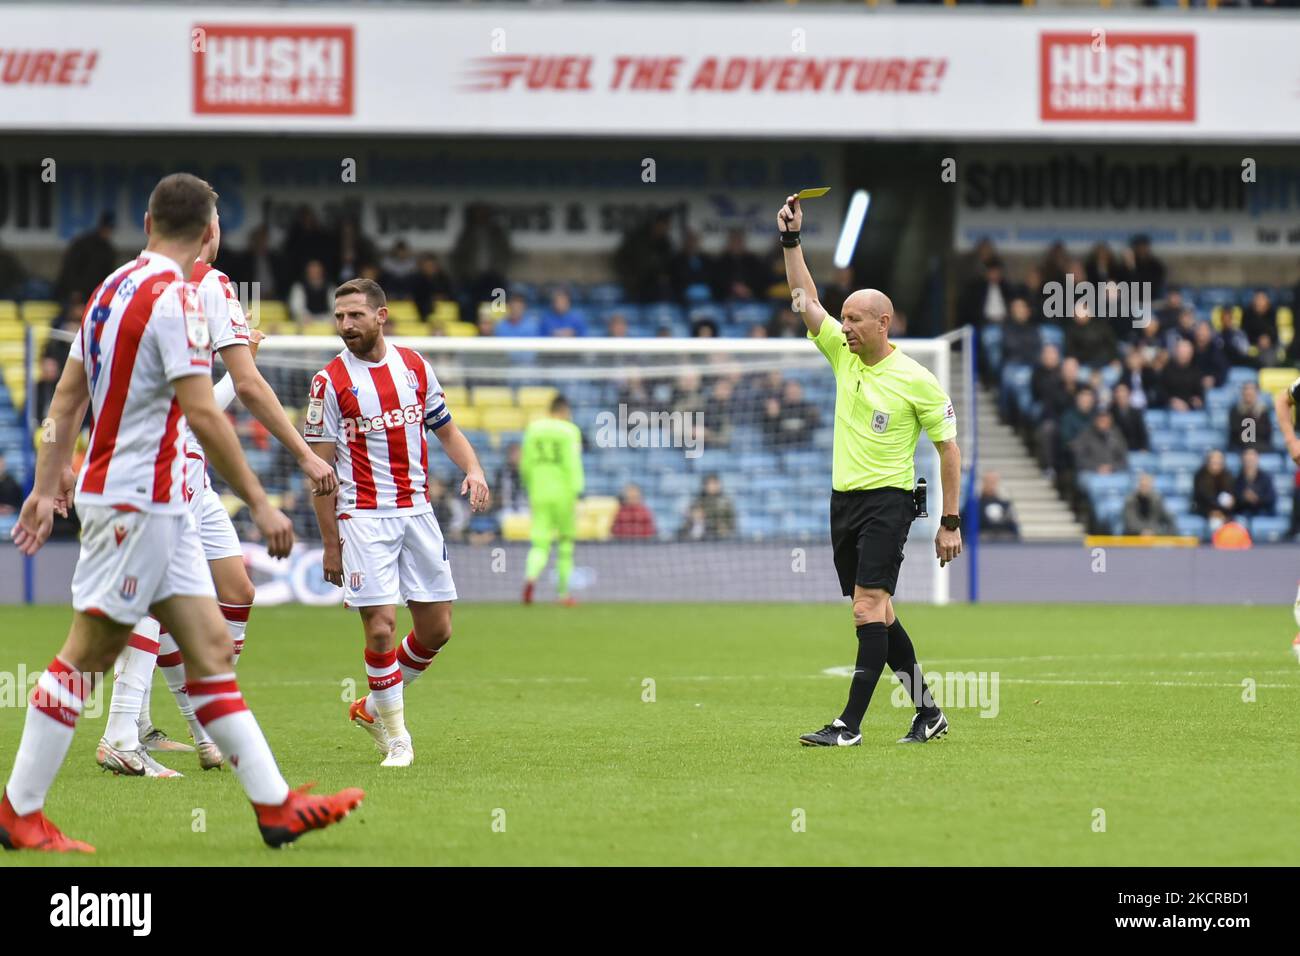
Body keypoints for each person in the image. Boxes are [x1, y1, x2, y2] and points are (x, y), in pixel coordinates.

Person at [2, 173, 362, 852]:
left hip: (152, 501)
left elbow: (66, 399)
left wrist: (45, 487)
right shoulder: (181, 300)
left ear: (147, 223)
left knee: (213, 647)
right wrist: (260, 499)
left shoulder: (108, 290)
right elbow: (203, 409)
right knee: (88, 651)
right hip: (137, 502)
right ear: (209, 234)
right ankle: (20, 812)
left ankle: (276, 807)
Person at [99, 205, 340, 775]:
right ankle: (126, 734)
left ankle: (186, 727)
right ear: (211, 231)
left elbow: (193, 407)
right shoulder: (209, 283)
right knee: (152, 600)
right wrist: (303, 454)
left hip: (181, 470)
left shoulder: (125, 285)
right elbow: (241, 391)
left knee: (236, 589)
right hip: (161, 471)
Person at [778, 193, 959, 748]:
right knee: (880, 612)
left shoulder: (917, 379)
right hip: (845, 502)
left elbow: (949, 451)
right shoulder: (843, 354)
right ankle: (929, 713)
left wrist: (950, 520)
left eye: (855, 319)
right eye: (844, 319)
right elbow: (806, 300)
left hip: (888, 501)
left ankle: (849, 726)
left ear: (884, 323)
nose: (845, 327)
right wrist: (791, 240)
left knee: (865, 608)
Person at [307, 277, 490, 769]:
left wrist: (473, 469)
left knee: (437, 629)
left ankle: (372, 708)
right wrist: (331, 544)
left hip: (417, 513)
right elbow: (320, 472)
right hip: (362, 518)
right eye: (339, 316)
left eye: (355, 315)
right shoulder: (328, 382)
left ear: (381, 316)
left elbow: (446, 430)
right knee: (381, 629)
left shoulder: (414, 366)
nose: (345, 324)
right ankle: (397, 738)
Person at [520, 396, 584, 605]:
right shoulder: (570, 431)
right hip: (564, 493)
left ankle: (531, 577)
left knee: (539, 543)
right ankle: (563, 593)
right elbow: (572, 463)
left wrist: (529, 485)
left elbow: (526, 464)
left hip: (539, 492)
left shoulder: (533, 429)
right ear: (564, 410)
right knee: (565, 543)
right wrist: (578, 491)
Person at [688, 473, 736, 540]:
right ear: (705, 485)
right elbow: (691, 516)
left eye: (715, 483)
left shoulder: (725, 502)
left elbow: (731, 521)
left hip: (721, 535)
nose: (712, 486)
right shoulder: (699, 501)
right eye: (710, 484)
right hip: (702, 534)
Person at [1228, 381, 1272, 451]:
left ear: (1256, 393)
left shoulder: (1263, 410)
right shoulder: (1235, 410)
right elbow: (1236, 431)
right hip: (1240, 446)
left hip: (1259, 446)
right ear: (1242, 393)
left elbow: (1265, 432)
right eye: (1246, 390)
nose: (1248, 393)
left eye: (1251, 391)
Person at [1192, 450, 1236, 518]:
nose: (1216, 464)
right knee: (1215, 521)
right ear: (1208, 462)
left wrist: (1232, 503)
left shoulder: (1227, 476)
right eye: (1213, 461)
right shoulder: (1200, 476)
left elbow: (1230, 495)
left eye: (1219, 462)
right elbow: (1202, 499)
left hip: (1225, 512)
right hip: (1205, 511)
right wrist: (1212, 512)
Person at [977, 472, 1019, 541]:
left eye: (993, 481)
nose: (991, 484)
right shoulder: (975, 505)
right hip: (983, 542)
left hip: (1004, 543)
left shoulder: (1006, 504)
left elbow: (1014, 529)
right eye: (988, 481)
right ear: (983, 482)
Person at [1235, 448, 1276, 517]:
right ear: (1242, 461)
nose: (1249, 463)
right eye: (1247, 460)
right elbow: (1235, 498)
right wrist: (1244, 497)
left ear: (1257, 460)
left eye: (1251, 460)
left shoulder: (1266, 478)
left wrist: (1257, 498)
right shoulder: (1238, 479)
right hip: (1243, 512)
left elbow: (1271, 498)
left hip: (1262, 513)